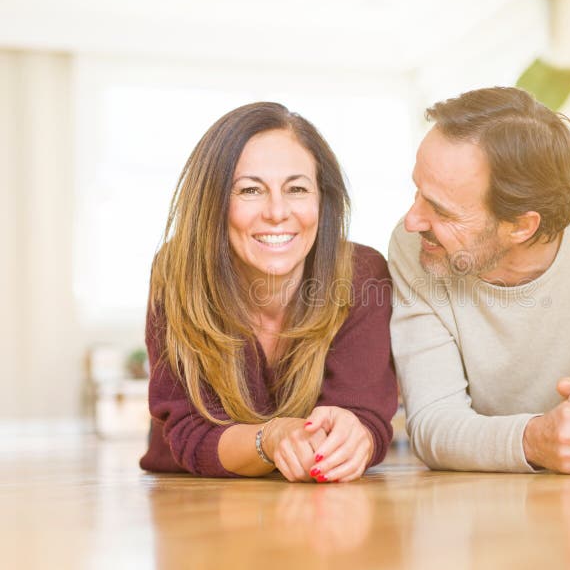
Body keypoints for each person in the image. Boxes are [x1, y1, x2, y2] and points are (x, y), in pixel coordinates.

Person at [389, 87, 570, 474]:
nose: (413, 220)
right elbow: (433, 423)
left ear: (520, 226)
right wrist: (534, 440)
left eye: (441, 210)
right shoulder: (415, 245)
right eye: (417, 191)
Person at [140, 102, 397, 482]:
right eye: (250, 190)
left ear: (322, 202)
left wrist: (353, 435)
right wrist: (270, 438)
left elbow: (366, 418)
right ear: (213, 204)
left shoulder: (361, 274)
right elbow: (191, 433)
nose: (277, 212)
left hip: (320, 504)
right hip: (194, 495)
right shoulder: (179, 271)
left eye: (296, 188)